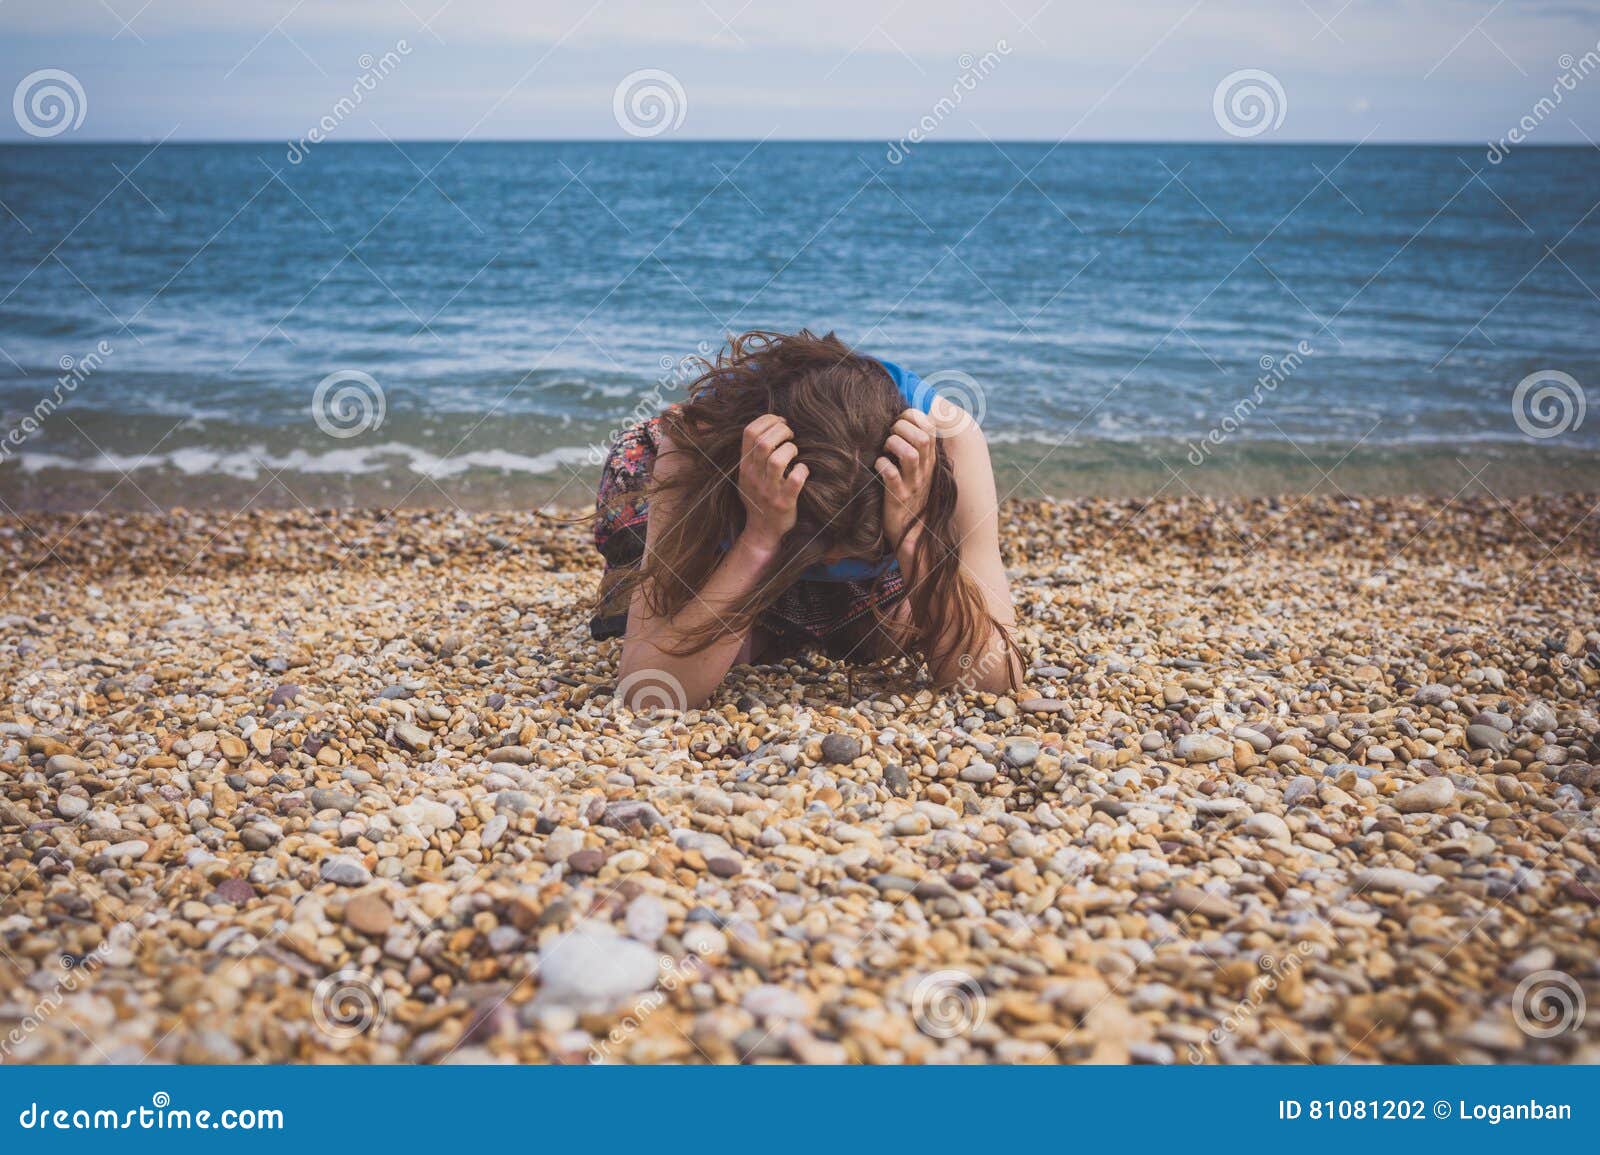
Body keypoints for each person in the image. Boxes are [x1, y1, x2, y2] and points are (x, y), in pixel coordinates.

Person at [591, 330, 1019, 709]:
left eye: (851, 549)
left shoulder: (951, 440)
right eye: (813, 546)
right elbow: (647, 692)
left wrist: (911, 534)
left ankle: (794, 623)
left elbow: (995, 681)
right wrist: (759, 540)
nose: (829, 562)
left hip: (875, 551)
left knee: (895, 631)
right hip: (717, 515)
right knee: (693, 637)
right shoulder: (695, 443)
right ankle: (781, 614)